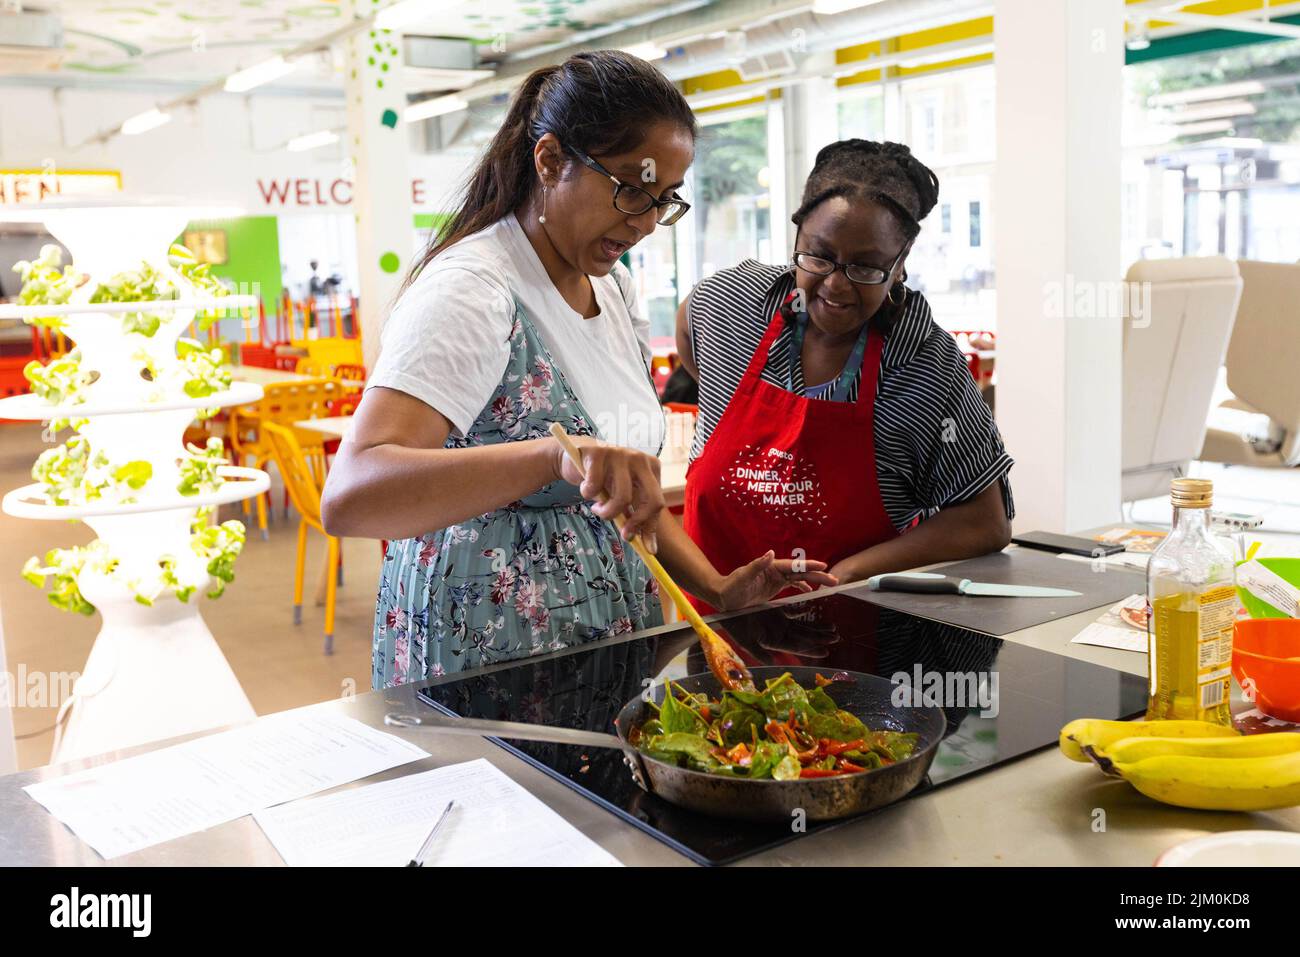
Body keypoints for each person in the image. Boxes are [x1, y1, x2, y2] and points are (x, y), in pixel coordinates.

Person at [321, 51, 834, 687]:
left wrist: (715, 586)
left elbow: (626, 493)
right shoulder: (475, 291)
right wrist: (549, 458)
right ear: (550, 161)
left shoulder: (613, 289)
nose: (645, 222)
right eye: (629, 189)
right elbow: (351, 494)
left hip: (602, 635)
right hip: (490, 652)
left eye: (663, 200)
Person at [676, 139, 1014, 608]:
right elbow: (690, 338)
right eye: (818, 255)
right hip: (715, 638)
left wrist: (854, 571)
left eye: (866, 267)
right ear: (797, 234)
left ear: (902, 260)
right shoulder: (729, 305)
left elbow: (985, 522)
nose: (836, 285)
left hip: (854, 641)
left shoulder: (926, 363)